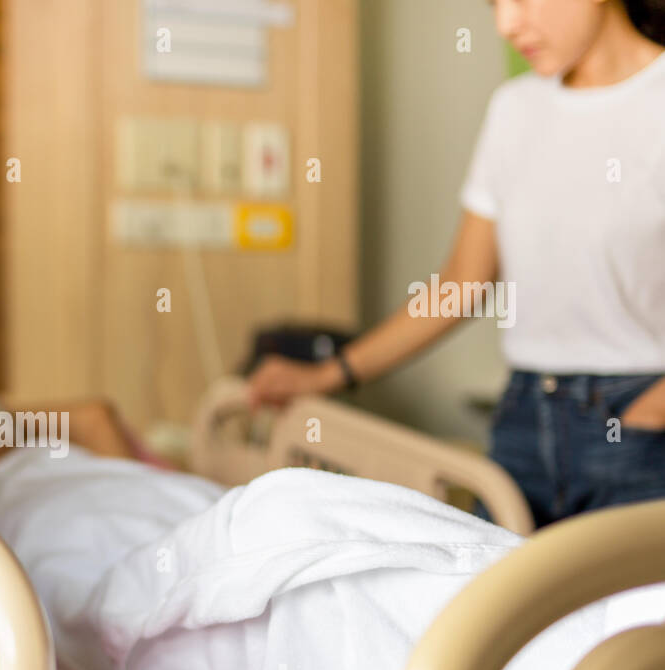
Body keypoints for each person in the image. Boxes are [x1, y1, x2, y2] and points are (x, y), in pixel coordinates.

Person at [247, 0, 665, 529]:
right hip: (521, 422)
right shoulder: (515, 109)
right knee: (507, 610)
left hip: (641, 429)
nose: (506, 24)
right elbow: (461, 284)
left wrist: (651, 413)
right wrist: (329, 374)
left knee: (626, 613)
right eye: (494, 3)